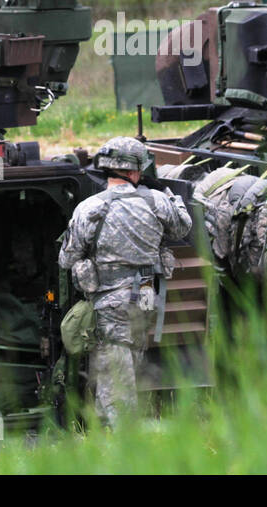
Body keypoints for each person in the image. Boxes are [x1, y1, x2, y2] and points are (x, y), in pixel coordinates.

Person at [57, 137, 190, 427]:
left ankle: (122, 443)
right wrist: (169, 194)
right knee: (128, 369)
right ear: (133, 172)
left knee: (116, 380)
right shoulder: (156, 201)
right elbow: (183, 226)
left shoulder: (90, 208)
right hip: (146, 299)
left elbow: (66, 259)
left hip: (109, 304)